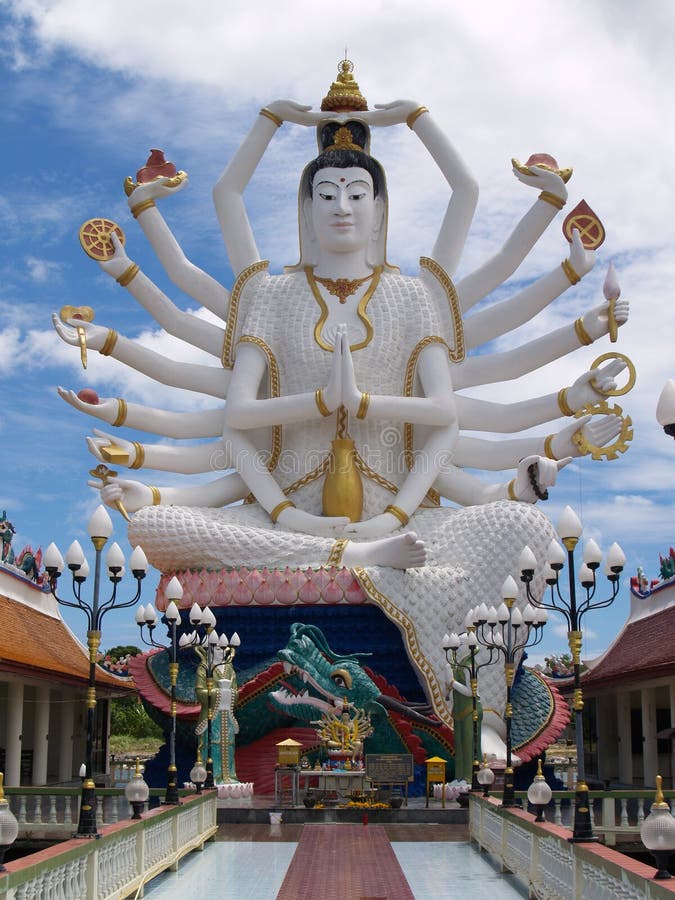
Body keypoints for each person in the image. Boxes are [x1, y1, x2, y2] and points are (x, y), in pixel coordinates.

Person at [53, 62, 631, 750]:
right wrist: (272, 117)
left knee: (518, 527)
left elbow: (442, 417)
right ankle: (347, 550)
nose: (342, 206)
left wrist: (415, 117)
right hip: (277, 516)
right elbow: (239, 420)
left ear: (380, 208)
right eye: (325, 193)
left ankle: (479, 716)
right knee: (164, 526)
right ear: (304, 208)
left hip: (405, 514)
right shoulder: (269, 293)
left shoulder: (413, 294)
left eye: (358, 192)